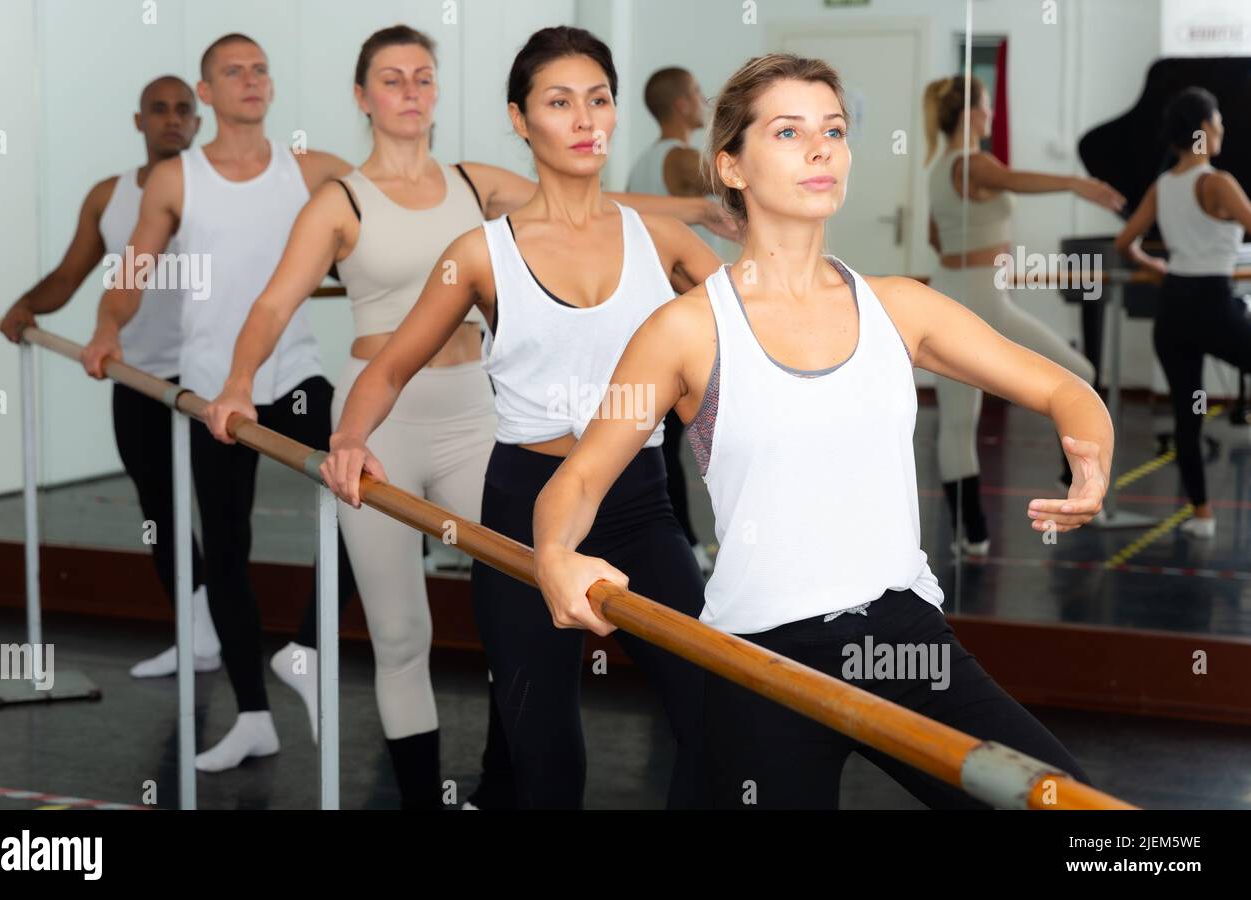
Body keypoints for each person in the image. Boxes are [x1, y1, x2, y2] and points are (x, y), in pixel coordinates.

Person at [533, 53, 1110, 809]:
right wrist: (554, 555)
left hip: (898, 636)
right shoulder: (686, 331)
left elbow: (1066, 388)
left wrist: (1089, 455)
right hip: (760, 654)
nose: (820, 149)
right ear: (731, 166)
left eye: (833, 130)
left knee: (1074, 816)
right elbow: (579, 479)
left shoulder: (903, 308)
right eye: (788, 131)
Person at [200, 24, 735, 810]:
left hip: (615, 490)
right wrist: (322, 425)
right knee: (508, 726)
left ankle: (492, 781)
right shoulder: (452, 240)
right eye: (560, 102)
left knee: (711, 722)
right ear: (520, 118)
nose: (586, 118)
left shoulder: (635, 232)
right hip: (489, 480)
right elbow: (353, 346)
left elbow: (743, 334)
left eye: (599, 99)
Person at [80, 33, 358, 773]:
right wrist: (108, 331)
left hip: (294, 378)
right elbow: (130, 272)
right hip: (214, 393)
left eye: (260, 68)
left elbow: (399, 222)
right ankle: (254, 715)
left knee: (372, 502)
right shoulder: (176, 179)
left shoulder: (315, 172)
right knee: (228, 551)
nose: (251, 80)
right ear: (208, 94)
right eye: (233, 72)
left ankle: (304, 647)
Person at [0, 75, 220, 678]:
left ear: (199, 123)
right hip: (138, 377)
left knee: (223, 515)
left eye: (183, 111)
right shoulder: (110, 195)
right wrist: (26, 306)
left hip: (212, 381)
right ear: (139, 121)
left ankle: (232, 642)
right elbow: (70, 274)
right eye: (159, 109)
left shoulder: (220, 188)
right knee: (159, 510)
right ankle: (195, 635)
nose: (172, 120)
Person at [923, 74, 1122, 557]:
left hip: (951, 291)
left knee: (956, 422)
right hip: (983, 301)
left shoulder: (937, 167)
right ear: (970, 114)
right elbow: (1011, 181)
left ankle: (972, 535)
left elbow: (935, 236)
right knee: (1081, 375)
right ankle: (1073, 478)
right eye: (986, 107)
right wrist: (1076, 184)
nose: (990, 115)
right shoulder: (974, 162)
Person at [1115, 86, 1251, 540]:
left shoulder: (1163, 186)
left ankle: (1203, 516)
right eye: (1218, 122)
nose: (1223, 130)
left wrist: (1160, 267)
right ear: (1204, 129)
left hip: (1174, 308)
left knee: (1186, 416)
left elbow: (1124, 243)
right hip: (1213, 303)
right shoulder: (1218, 182)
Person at [628, 65, 738, 575]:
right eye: (697, 91)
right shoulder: (679, 160)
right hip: (687, 317)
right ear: (678, 104)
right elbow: (736, 175)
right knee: (682, 442)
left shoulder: (640, 167)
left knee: (670, 440)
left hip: (666, 315)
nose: (703, 99)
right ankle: (688, 543)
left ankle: (687, 541)